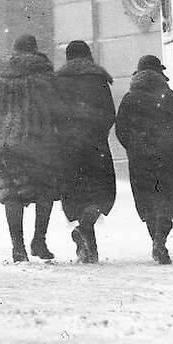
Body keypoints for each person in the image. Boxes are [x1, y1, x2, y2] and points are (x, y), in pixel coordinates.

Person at [0, 34, 66, 262]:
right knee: (45, 189)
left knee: (10, 193)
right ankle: (39, 240)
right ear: (34, 49)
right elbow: (56, 106)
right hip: (35, 140)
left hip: (2, 142)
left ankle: (18, 247)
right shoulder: (42, 72)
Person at [115, 55, 173, 264]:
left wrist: (134, 147)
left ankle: (156, 240)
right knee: (166, 199)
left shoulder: (130, 98)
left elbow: (121, 129)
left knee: (147, 202)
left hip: (140, 160)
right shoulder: (169, 96)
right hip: (168, 157)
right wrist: (169, 141)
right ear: (159, 73)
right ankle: (160, 240)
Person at [55, 40, 117, 264]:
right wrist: (97, 131)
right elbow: (110, 113)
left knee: (76, 194)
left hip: (68, 149)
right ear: (89, 56)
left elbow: (53, 115)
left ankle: (85, 232)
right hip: (95, 146)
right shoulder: (98, 79)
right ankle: (86, 228)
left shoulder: (58, 81)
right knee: (101, 194)